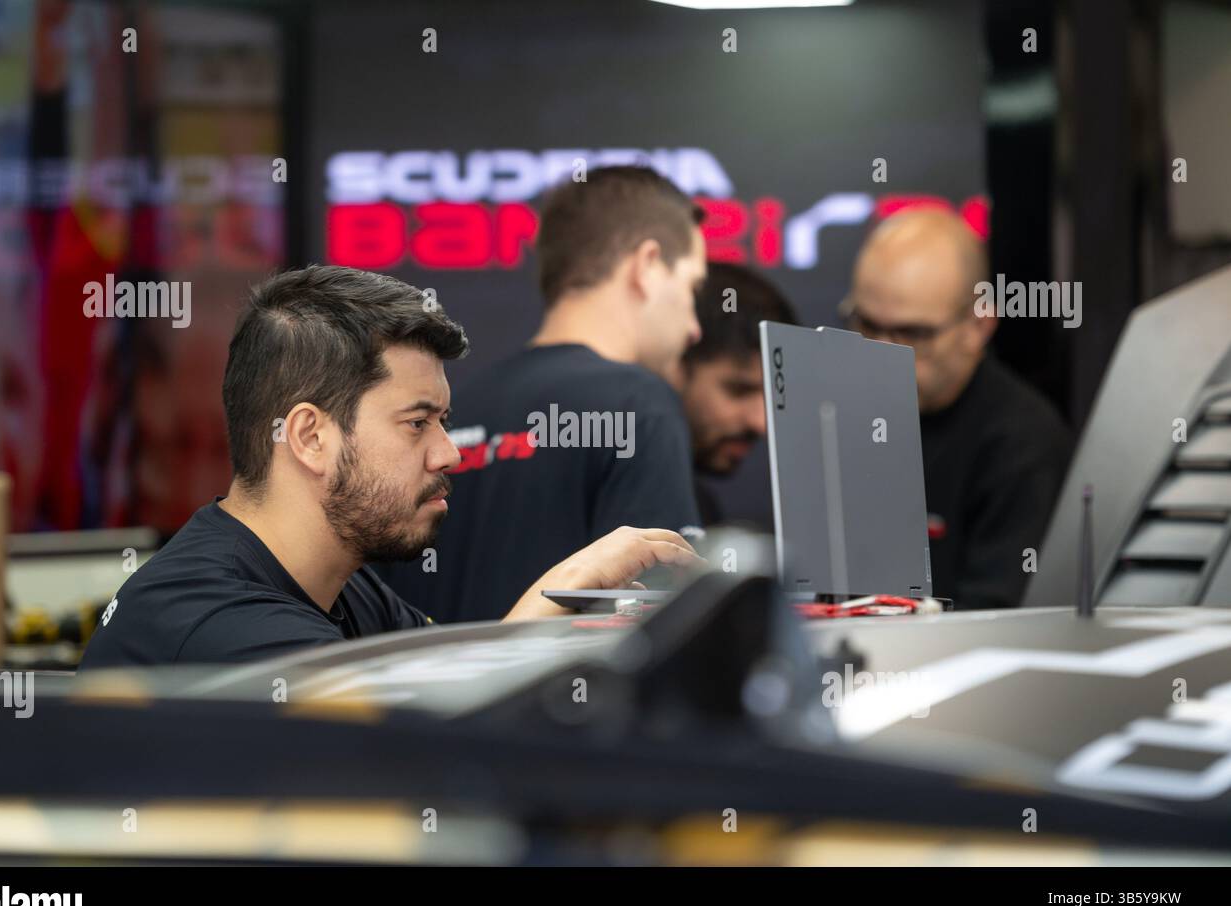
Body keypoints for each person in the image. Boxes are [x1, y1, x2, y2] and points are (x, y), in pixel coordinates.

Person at [79, 266, 701, 668]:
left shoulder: (346, 588)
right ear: (310, 437)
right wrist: (563, 585)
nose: (449, 453)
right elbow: (438, 753)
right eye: (416, 423)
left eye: (444, 421)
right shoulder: (224, 628)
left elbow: (447, 676)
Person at [377, 165, 708, 623]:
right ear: (648, 266)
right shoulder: (641, 403)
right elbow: (662, 625)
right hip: (560, 696)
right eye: (692, 287)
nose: (694, 328)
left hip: (428, 692)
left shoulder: (448, 414)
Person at [844, 209, 1072, 608]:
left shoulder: (1024, 444)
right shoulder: (845, 416)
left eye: (912, 333)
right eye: (867, 325)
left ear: (979, 325)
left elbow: (995, 624)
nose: (881, 350)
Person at [663, 262, 798, 525]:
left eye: (774, 393)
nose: (761, 423)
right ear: (674, 365)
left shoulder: (699, 507)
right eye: (739, 390)